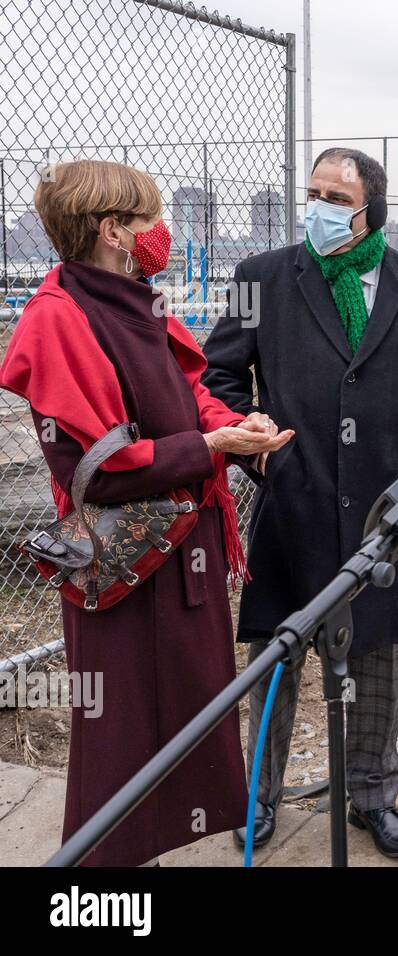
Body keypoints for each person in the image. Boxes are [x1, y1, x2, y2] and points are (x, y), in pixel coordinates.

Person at [0, 159, 292, 866]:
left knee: (182, 723)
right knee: (120, 739)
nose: (160, 233)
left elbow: (189, 400)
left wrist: (235, 430)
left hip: (180, 553)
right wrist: (210, 445)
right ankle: (101, 886)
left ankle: (145, 856)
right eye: (147, 221)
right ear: (113, 231)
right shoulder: (57, 320)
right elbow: (92, 471)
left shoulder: (135, 298)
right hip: (124, 569)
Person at [202, 147, 398, 858]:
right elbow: (218, 375)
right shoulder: (258, 278)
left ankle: (371, 799)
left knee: (377, 661)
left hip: (389, 515)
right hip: (293, 502)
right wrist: (250, 431)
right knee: (276, 661)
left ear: (371, 209)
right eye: (314, 192)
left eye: (337, 196)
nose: (320, 207)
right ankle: (258, 801)